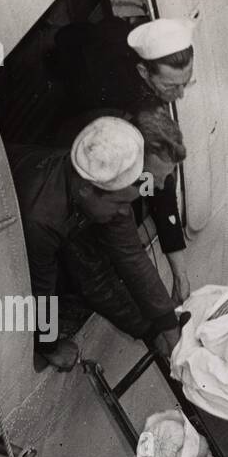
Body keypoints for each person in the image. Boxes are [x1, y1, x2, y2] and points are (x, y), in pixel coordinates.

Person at [9, 116, 182, 371]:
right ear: (86, 190)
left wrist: (166, 326)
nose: (125, 213)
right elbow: (41, 289)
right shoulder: (41, 219)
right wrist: (49, 346)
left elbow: (132, 256)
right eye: (120, 204)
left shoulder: (105, 187)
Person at [52, 16, 196, 300]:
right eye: (170, 87)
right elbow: (158, 187)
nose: (178, 96)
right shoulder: (119, 101)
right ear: (144, 71)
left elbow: (160, 183)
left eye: (185, 83)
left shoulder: (148, 85)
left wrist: (179, 274)